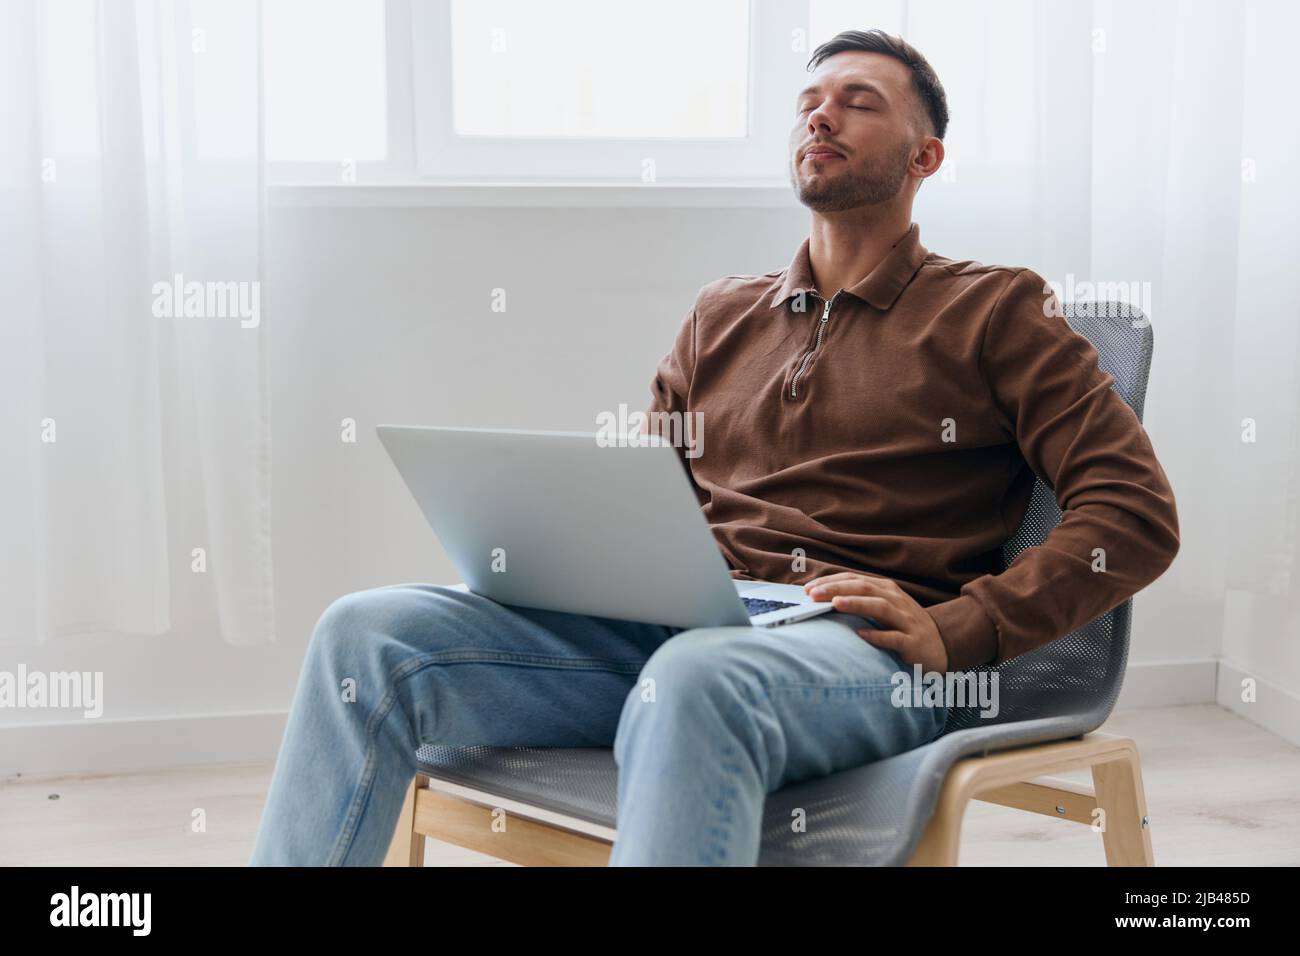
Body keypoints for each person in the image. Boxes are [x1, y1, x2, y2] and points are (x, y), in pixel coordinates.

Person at [249, 29, 1179, 867]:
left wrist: (963, 627)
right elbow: (640, 500)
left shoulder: (997, 309)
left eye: (860, 101)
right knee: (364, 635)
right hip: (677, 630)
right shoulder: (722, 314)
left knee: (693, 681)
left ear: (925, 155)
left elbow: (1133, 514)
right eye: (809, 104)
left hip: (862, 655)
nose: (823, 116)